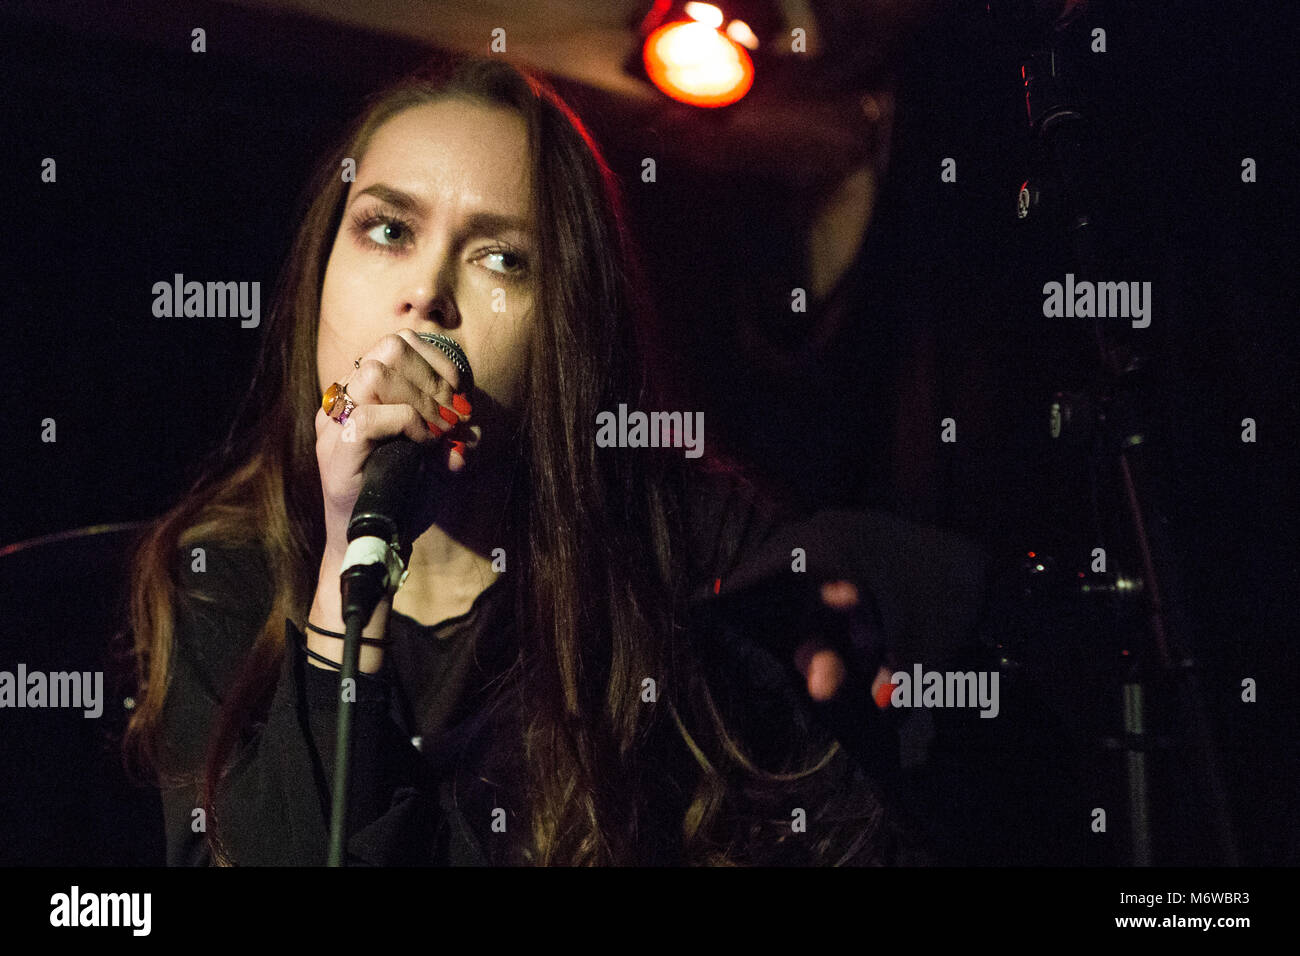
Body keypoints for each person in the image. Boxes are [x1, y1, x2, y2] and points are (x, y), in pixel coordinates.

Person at [122, 53, 930, 866]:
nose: (427, 292)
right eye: (389, 230)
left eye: (502, 258)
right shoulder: (223, 570)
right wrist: (346, 560)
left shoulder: (687, 550)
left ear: (567, 327)